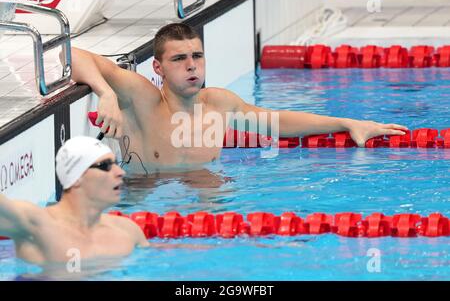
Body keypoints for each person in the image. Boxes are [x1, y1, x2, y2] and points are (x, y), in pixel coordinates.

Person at [69, 23, 408, 173]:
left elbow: (275, 122)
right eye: (179, 59)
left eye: (197, 57)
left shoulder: (218, 103)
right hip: (149, 205)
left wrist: (347, 122)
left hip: (204, 201)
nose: (191, 67)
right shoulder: (142, 97)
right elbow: (72, 54)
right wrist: (107, 94)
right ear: (157, 67)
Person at [0, 136, 149, 269]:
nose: (120, 172)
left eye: (116, 163)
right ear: (76, 177)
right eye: (105, 166)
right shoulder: (37, 226)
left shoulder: (128, 232)